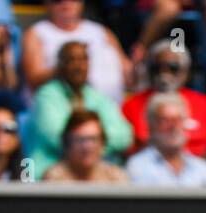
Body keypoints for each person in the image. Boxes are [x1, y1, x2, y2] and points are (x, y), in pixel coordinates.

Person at [121, 39, 206, 172]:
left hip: (199, 176)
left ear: (186, 72)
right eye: (157, 68)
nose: (164, 73)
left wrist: (191, 165)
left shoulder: (205, 104)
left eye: (172, 67)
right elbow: (125, 151)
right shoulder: (131, 105)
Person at [32, 40, 133, 178]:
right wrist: (96, 142)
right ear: (60, 66)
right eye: (71, 59)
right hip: (55, 169)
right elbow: (57, 138)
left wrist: (86, 145)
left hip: (99, 169)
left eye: (83, 59)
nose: (78, 66)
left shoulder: (97, 96)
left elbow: (124, 137)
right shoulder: (47, 95)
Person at [23, 0, 132, 105]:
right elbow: (33, 80)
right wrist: (67, 67)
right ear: (46, 2)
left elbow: (129, 75)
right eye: (57, 0)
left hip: (112, 109)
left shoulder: (102, 31)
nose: (66, 3)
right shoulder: (36, 33)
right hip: (64, 113)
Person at [124, 92, 206, 184]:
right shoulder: (137, 167)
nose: (173, 127)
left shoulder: (204, 169)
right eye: (165, 120)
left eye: (178, 119)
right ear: (151, 125)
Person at [42, 107, 130, 181]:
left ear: (103, 143)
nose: (87, 146)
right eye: (80, 139)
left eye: (93, 139)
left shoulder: (116, 178)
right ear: (67, 142)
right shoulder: (53, 179)